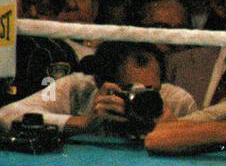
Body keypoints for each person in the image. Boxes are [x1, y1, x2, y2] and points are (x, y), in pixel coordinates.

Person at [0, 41, 195, 139]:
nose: (141, 97)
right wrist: (82, 123)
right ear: (101, 83)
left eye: (151, 90)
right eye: (130, 90)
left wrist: (172, 131)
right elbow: (6, 115)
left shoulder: (177, 102)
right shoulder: (79, 89)